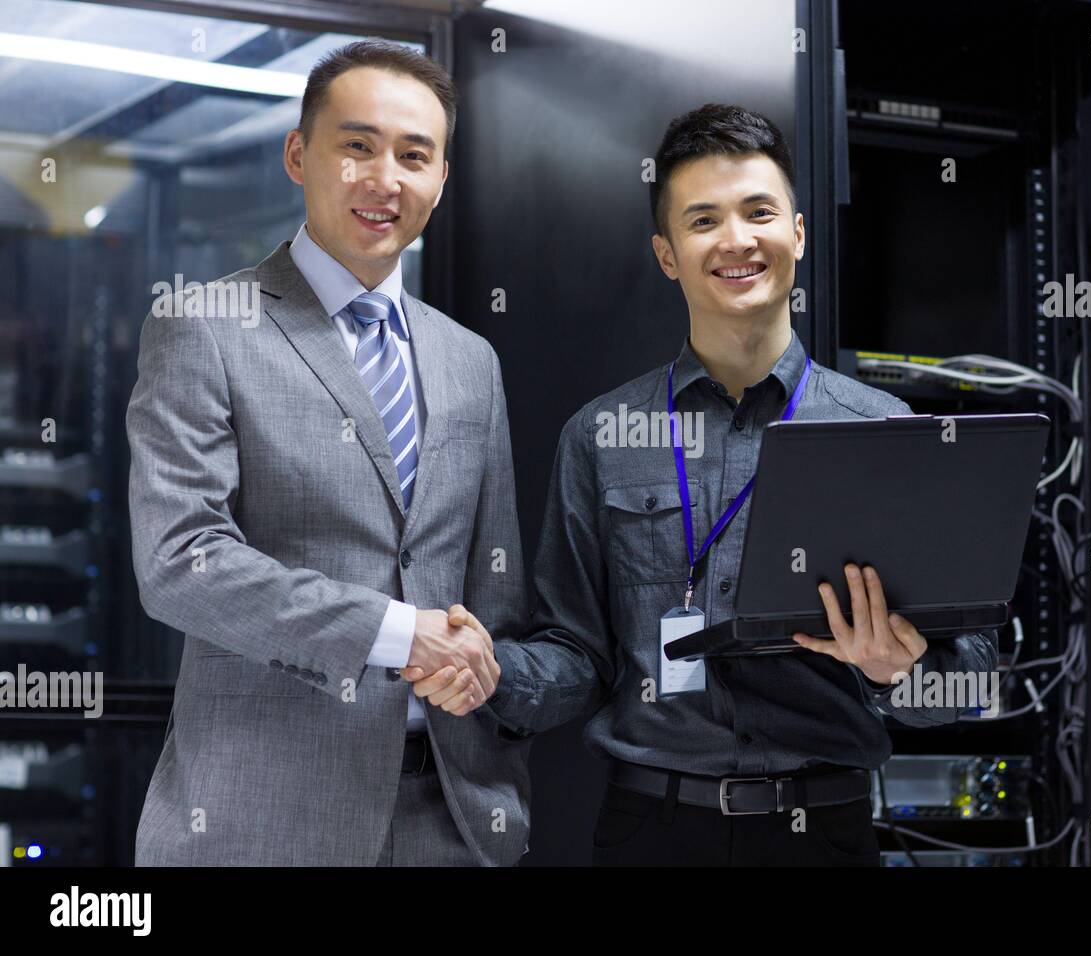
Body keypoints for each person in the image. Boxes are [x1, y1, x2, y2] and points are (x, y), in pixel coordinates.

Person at [411, 103, 1000, 866]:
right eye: (702, 220)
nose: (735, 240)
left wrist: (901, 673)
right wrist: (491, 672)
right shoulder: (600, 435)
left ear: (797, 232)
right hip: (651, 828)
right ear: (667, 253)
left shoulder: (884, 429)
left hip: (822, 832)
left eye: (759, 212)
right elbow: (577, 657)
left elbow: (975, 670)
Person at [127, 40, 524, 866]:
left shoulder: (470, 362)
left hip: (447, 820)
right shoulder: (205, 326)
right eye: (358, 145)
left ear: (442, 180)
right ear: (299, 155)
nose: (386, 179)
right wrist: (394, 633)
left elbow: (494, 597)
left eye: (415, 156)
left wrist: (481, 665)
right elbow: (180, 562)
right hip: (263, 818)